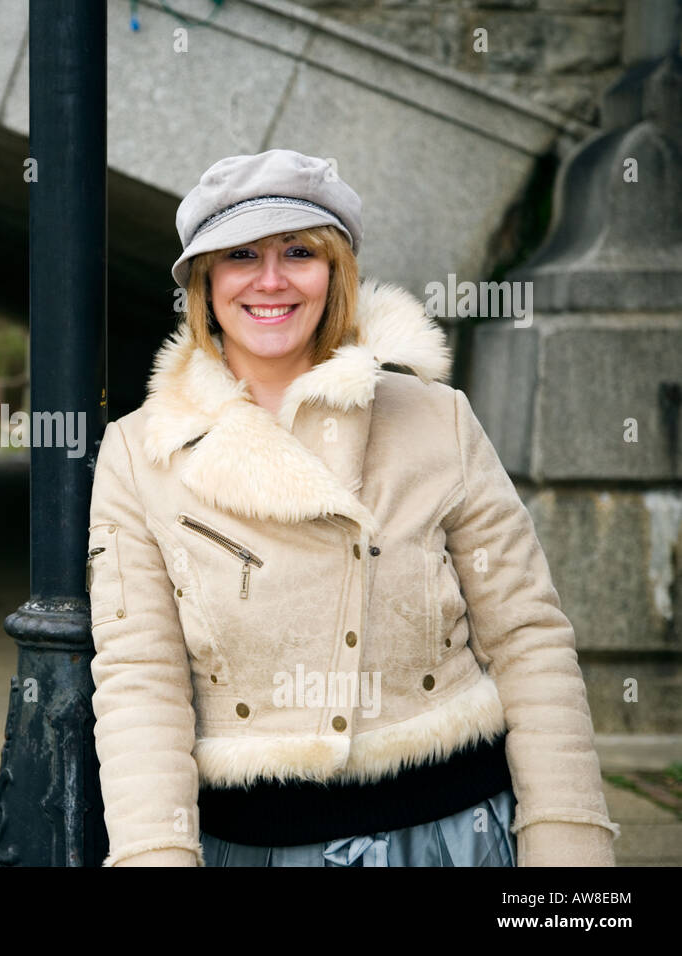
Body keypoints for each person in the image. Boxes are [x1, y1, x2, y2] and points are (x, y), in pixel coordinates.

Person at [86, 149, 620, 867]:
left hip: (451, 835)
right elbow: (139, 683)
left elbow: (529, 639)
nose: (271, 280)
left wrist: (567, 846)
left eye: (299, 251)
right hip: (256, 845)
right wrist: (156, 854)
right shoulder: (139, 454)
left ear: (335, 270)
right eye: (241, 254)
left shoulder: (439, 420)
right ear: (205, 282)